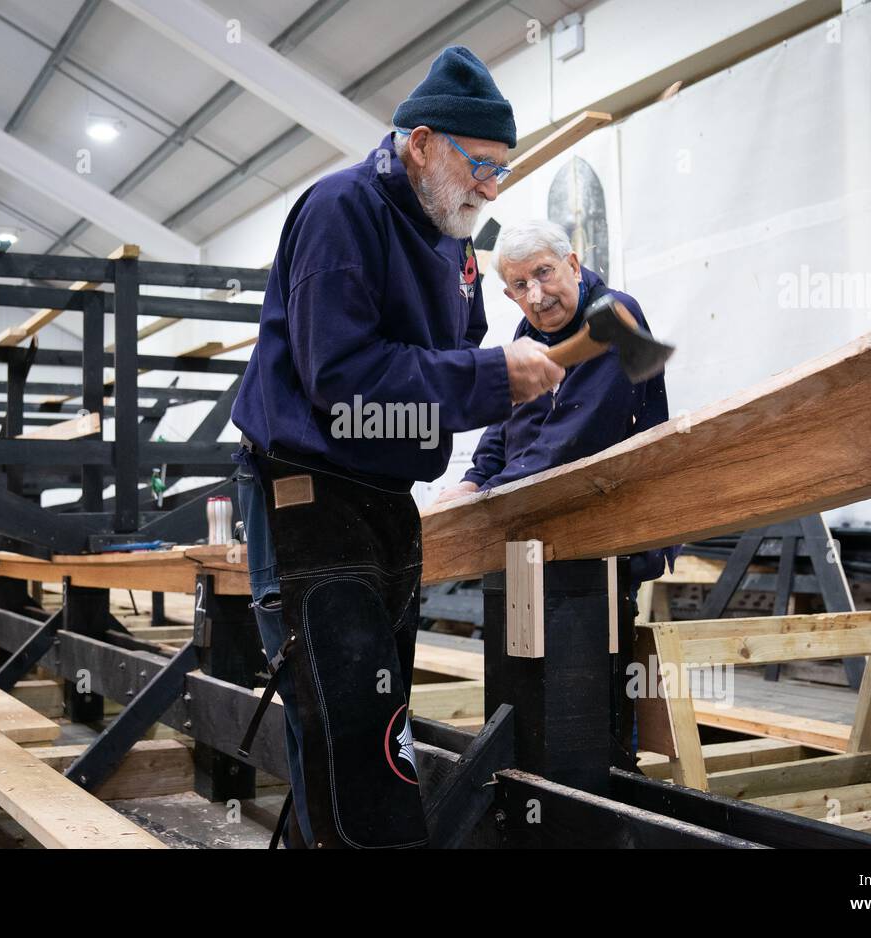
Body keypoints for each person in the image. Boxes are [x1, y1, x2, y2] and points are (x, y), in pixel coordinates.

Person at [230, 47, 563, 848]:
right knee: (345, 715)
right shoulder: (342, 210)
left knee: (380, 714)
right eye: (480, 165)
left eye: (501, 172)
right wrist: (490, 377)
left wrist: (503, 374)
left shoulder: (453, 239)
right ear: (421, 144)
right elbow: (341, 381)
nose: (491, 187)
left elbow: (454, 352)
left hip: (385, 491)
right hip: (307, 483)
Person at [435, 219, 679, 584]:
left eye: (544, 273)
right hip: (531, 530)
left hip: (600, 540)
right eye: (521, 285)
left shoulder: (610, 315)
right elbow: (512, 417)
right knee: (514, 637)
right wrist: (474, 480)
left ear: (574, 266)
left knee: (583, 640)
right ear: (509, 295)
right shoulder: (533, 329)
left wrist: (484, 499)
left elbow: (574, 441)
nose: (536, 295)